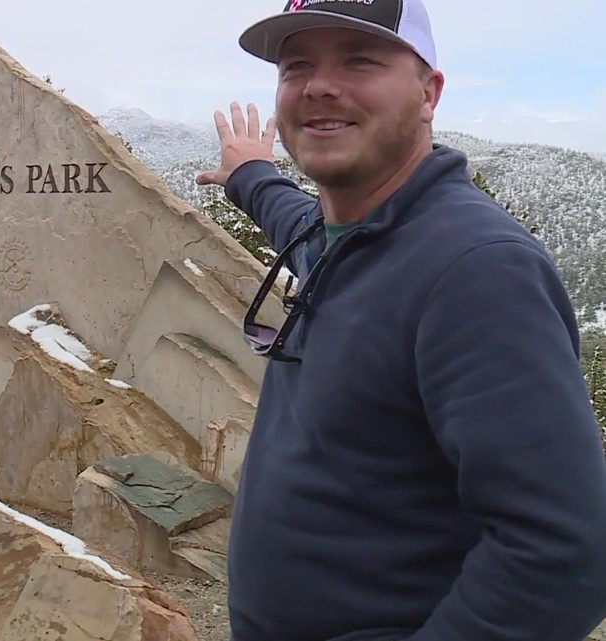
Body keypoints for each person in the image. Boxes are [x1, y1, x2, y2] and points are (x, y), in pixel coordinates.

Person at [195, 1, 606, 639]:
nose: (320, 84)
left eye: (360, 59)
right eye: (297, 64)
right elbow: (300, 229)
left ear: (428, 92)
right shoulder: (350, 241)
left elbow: (564, 555)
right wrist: (250, 175)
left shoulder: (475, 270)